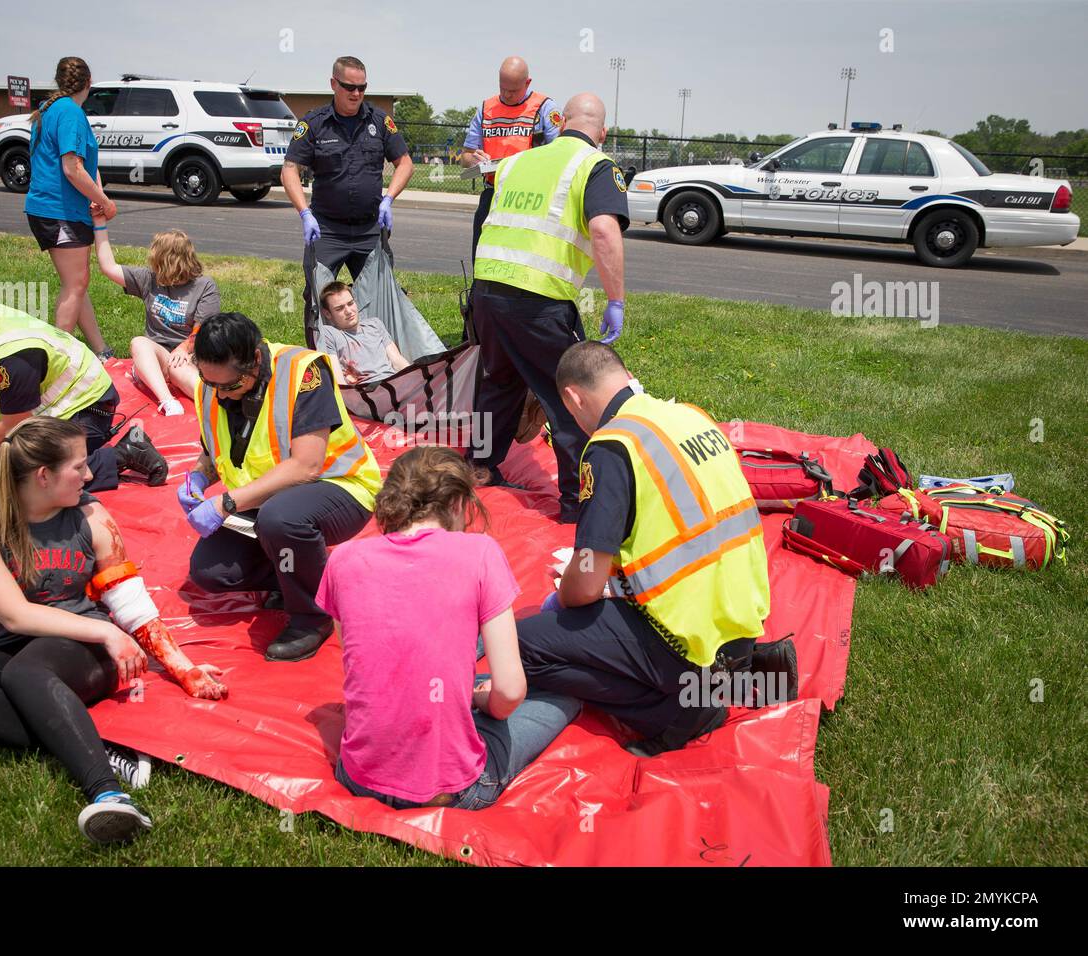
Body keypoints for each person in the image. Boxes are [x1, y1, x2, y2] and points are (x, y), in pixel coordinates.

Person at [0, 417, 226, 845]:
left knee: (26, 674)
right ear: (43, 476)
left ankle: (109, 793)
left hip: (82, 649)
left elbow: (131, 603)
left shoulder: (90, 514)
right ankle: (96, 745)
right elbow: (12, 615)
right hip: (15, 644)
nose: (89, 475)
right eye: (79, 466)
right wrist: (106, 632)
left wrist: (184, 670)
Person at [514, 342, 792, 758]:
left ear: (573, 397)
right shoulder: (690, 417)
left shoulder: (612, 446)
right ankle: (709, 683)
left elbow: (586, 584)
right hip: (737, 627)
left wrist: (563, 596)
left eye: (571, 414)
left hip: (684, 641)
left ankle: (676, 710)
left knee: (520, 646)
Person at [317, 445, 580, 810]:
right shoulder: (480, 553)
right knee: (566, 693)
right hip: (455, 789)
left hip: (359, 777)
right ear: (457, 504)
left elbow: (360, 654)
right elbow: (510, 692)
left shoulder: (344, 558)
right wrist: (483, 701)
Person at [179, 313, 381, 662]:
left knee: (281, 519)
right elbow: (218, 448)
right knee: (211, 573)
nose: (218, 394)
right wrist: (198, 475)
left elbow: (307, 465)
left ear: (255, 361)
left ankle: (312, 616)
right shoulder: (212, 383)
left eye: (228, 386)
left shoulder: (303, 373)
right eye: (208, 382)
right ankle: (305, 574)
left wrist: (226, 502)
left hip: (340, 486)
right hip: (265, 495)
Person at [468, 92, 629, 524]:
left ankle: (479, 468)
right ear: (603, 132)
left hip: (487, 292)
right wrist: (615, 300)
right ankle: (580, 503)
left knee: (497, 384)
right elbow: (603, 231)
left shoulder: (518, 161)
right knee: (570, 397)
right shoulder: (596, 165)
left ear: (560, 122)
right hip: (537, 299)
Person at [0, 296, 167, 491]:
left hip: (86, 411)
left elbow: (12, 426)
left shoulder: (13, 357)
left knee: (28, 481)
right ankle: (17, 445)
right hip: (46, 403)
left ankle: (125, 452)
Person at [281, 55, 413, 345]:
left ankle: (378, 359)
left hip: (369, 228)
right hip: (327, 228)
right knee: (317, 295)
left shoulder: (379, 121)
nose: (356, 94)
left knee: (378, 294)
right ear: (333, 84)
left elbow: (405, 162)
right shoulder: (314, 124)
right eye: (349, 87)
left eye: (362, 87)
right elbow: (290, 169)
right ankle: (321, 361)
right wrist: (305, 213)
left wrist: (388, 199)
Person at [24, 56, 115, 359]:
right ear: (88, 83)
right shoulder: (70, 113)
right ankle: (57, 361)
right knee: (75, 284)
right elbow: (72, 167)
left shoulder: (47, 110)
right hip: (59, 211)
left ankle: (100, 349)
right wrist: (104, 201)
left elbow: (81, 164)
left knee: (76, 283)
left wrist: (95, 192)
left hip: (46, 208)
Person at [92, 217, 220, 415]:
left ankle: (222, 406)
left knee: (179, 371)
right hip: (157, 355)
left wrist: (184, 348)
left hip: (189, 357)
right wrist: (99, 222)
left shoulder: (204, 286)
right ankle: (168, 401)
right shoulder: (149, 279)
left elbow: (204, 327)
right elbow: (108, 267)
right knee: (138, 343)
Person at [458, 56, 562, 265]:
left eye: (513, 91)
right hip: (493, 194)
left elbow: (560, 154)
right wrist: (474, 161)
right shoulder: (486, 108)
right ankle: (479, 295)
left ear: (528, 83)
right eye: (502, 88)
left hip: (531, 198)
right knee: (483, 257)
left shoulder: (545, 109)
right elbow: (465, 157)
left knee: (523, 260)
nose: (506, 94)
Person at [313, 281, 407, 385]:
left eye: (350, 303)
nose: (348, 311)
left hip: (395, 385)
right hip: (366, 393)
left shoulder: (375, 325)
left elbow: (397, 361)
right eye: (339, 308)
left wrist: (416, 378)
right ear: (327, 314)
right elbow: (339, 381)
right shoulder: (329, 334)